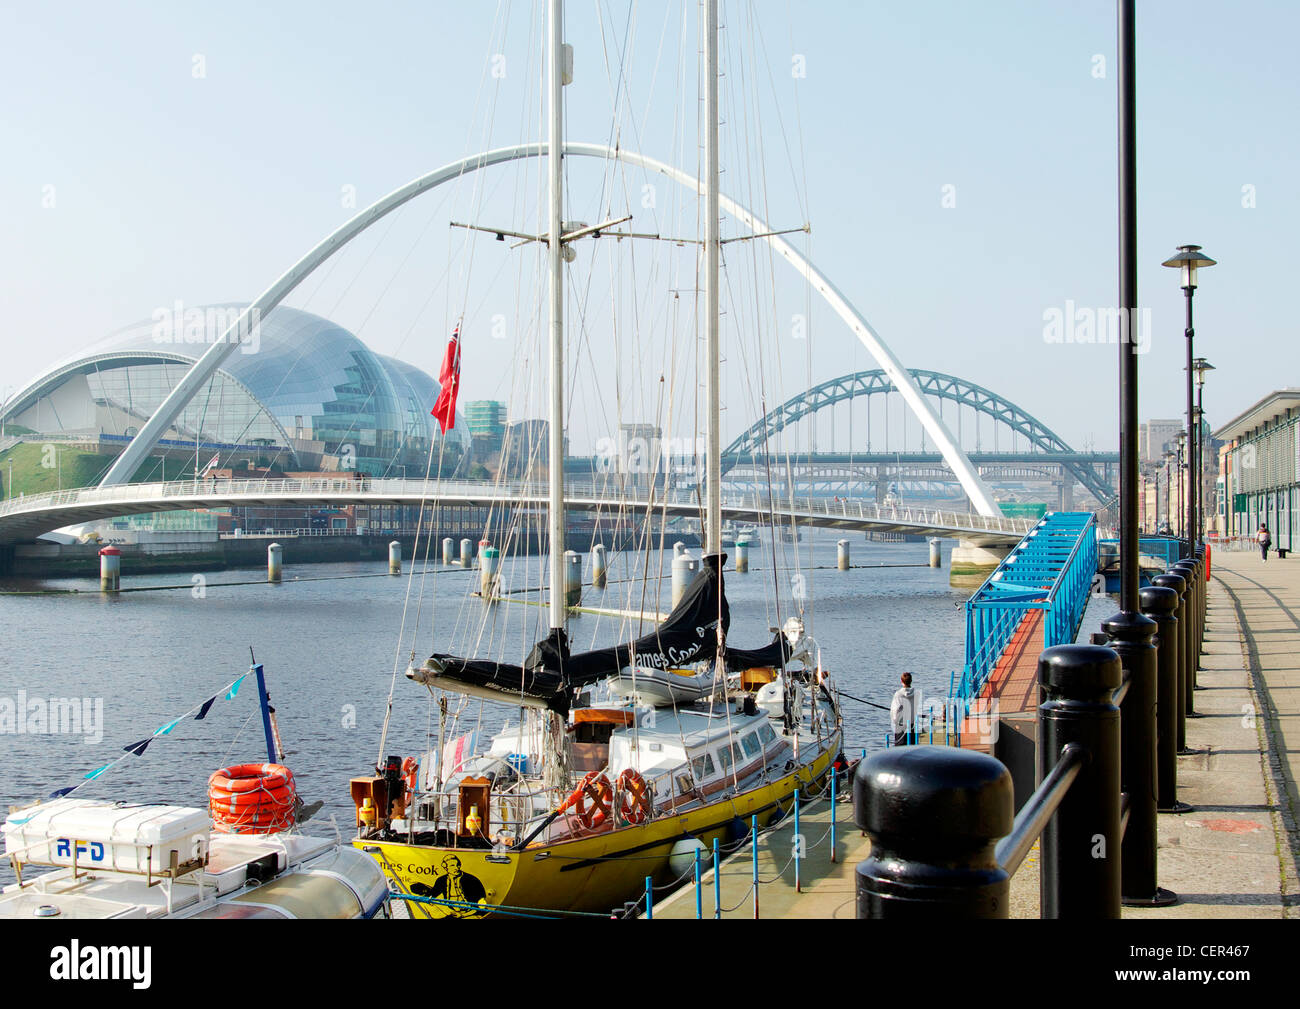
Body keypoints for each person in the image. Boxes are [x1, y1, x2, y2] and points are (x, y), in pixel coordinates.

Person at [890, 672, 918, 747]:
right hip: (912, 725)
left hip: (901, 726)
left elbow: (895, 711)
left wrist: (895, 721)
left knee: (899, 750)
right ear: (911, 681)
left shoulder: (898, 694)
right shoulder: (916, 694)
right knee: (911, 749)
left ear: (901, 681)